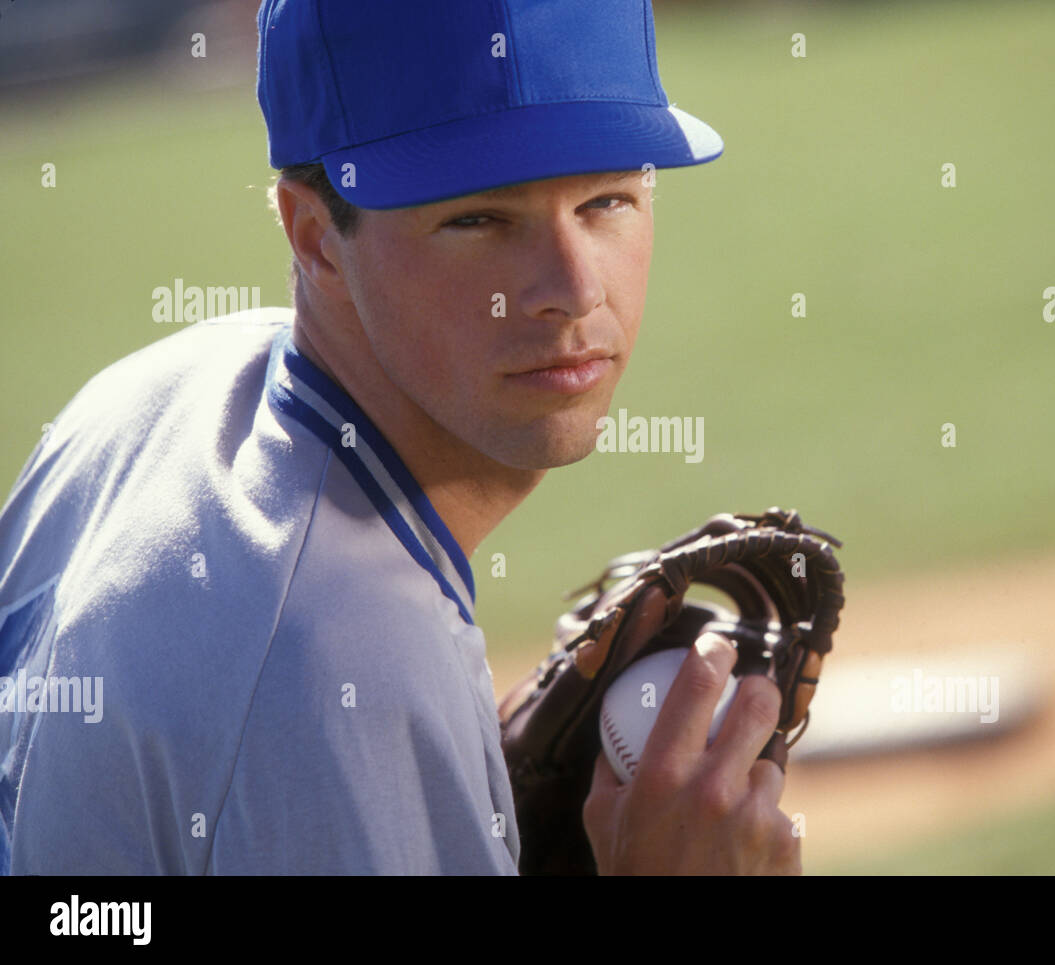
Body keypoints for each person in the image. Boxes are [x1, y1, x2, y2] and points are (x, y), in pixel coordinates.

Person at [0, 0, 799, 875]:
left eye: (606, 199)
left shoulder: (156, 392)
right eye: (480, 220)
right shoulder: (344, 660)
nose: (572, 290)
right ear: (316, 239)